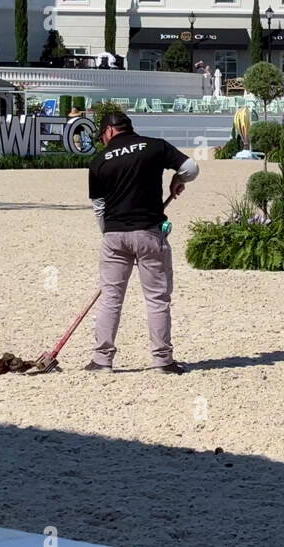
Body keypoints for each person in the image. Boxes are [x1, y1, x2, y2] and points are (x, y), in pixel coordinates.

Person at [86, 112, 199, 374]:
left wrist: (110, 234)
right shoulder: (155, 146)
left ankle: (102, 360)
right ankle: (162, 360)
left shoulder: (98, 161)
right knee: (157, 299)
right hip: (149, 232)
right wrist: (177, 180)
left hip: (114, 236)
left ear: (109, 132)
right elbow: (191, 168)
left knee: (111, 299)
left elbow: (99, 208)